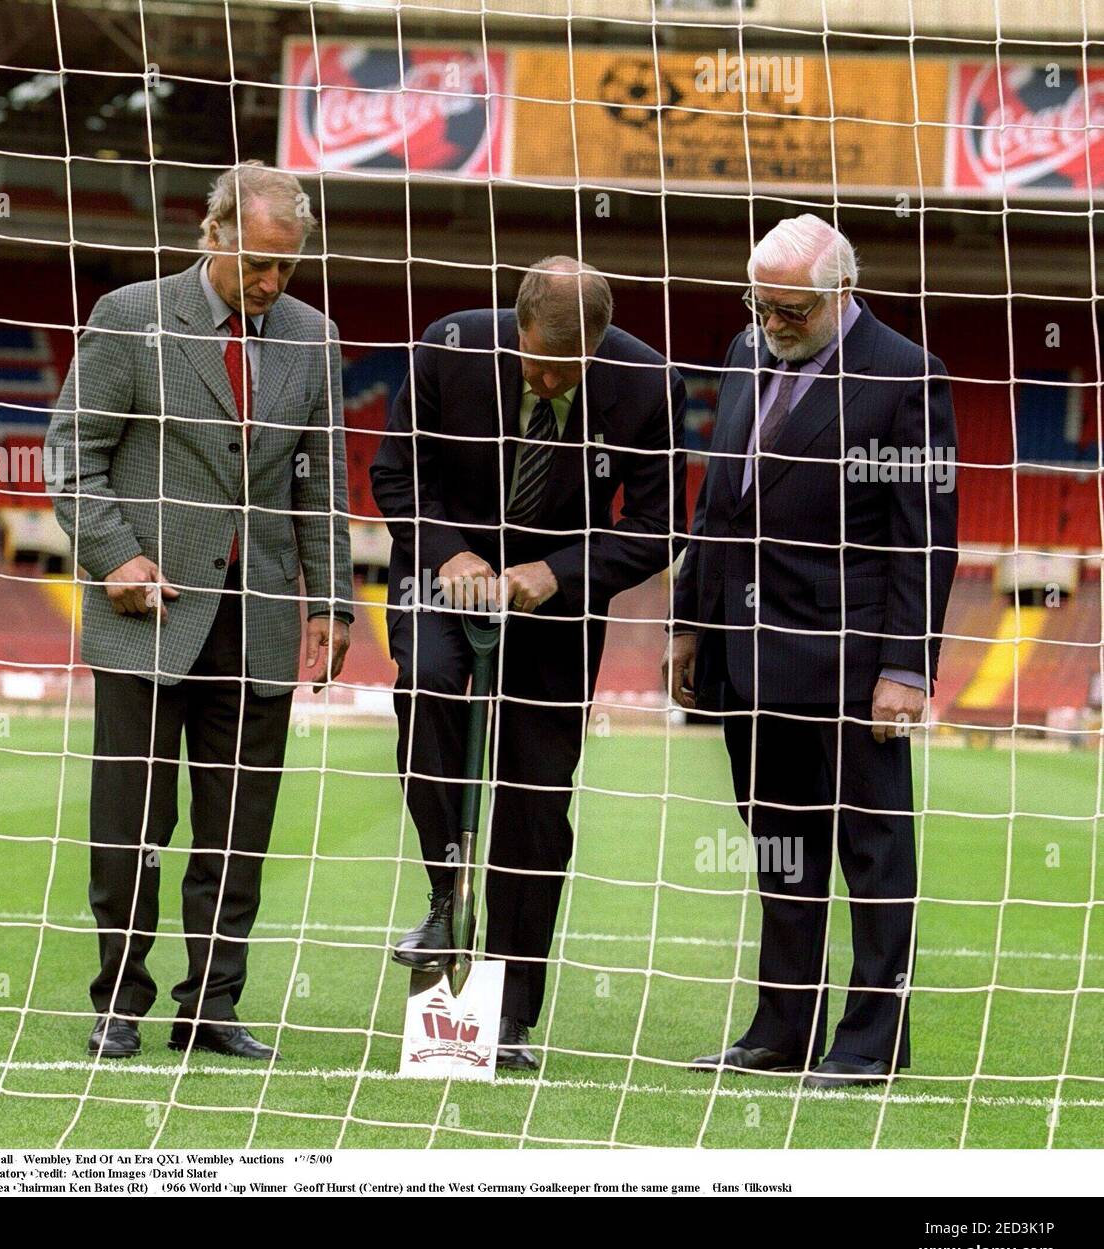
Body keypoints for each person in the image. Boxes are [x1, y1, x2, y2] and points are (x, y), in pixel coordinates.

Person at [46, 161, 352, 1060]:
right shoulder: (130, 317)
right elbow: (74, 456)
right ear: (212, 233)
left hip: (256, 620)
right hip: (147, 612)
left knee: (238, 829)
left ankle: (212, 1006)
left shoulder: (313, 337)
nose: (268, 283)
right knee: (132, 824)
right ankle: (120, 1002)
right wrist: (115, 557)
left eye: (285, 269)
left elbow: (321, 484)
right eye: (255, 262)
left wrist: (330, 599)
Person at [667, 214, 958, 1089]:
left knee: (872, 855)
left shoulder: (907, 375)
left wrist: (906, 667)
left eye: (791, 309)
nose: (774, 322)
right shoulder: (746, 348)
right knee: (779, 847)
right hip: (748, 651)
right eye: (763, 304)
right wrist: (691, 618)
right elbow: (721, 498)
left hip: (850, 658)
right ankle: (780, 1028)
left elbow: (925, 536)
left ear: (840, 292)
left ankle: (871, 1042)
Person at [372, 256, 686, 1069]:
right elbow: (396, 475)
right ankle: (447, 891)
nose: (548, 379)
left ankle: (503, 1012)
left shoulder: (647, 383)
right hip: (444, 575)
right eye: (538, 360)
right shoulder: (449, 348)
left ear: (600, 343)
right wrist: (452, 554)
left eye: (568, 367)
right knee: (433, 685)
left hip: (557, 601)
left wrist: (558, 573)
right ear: (516, 330)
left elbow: (656, 527)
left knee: (537, 806)